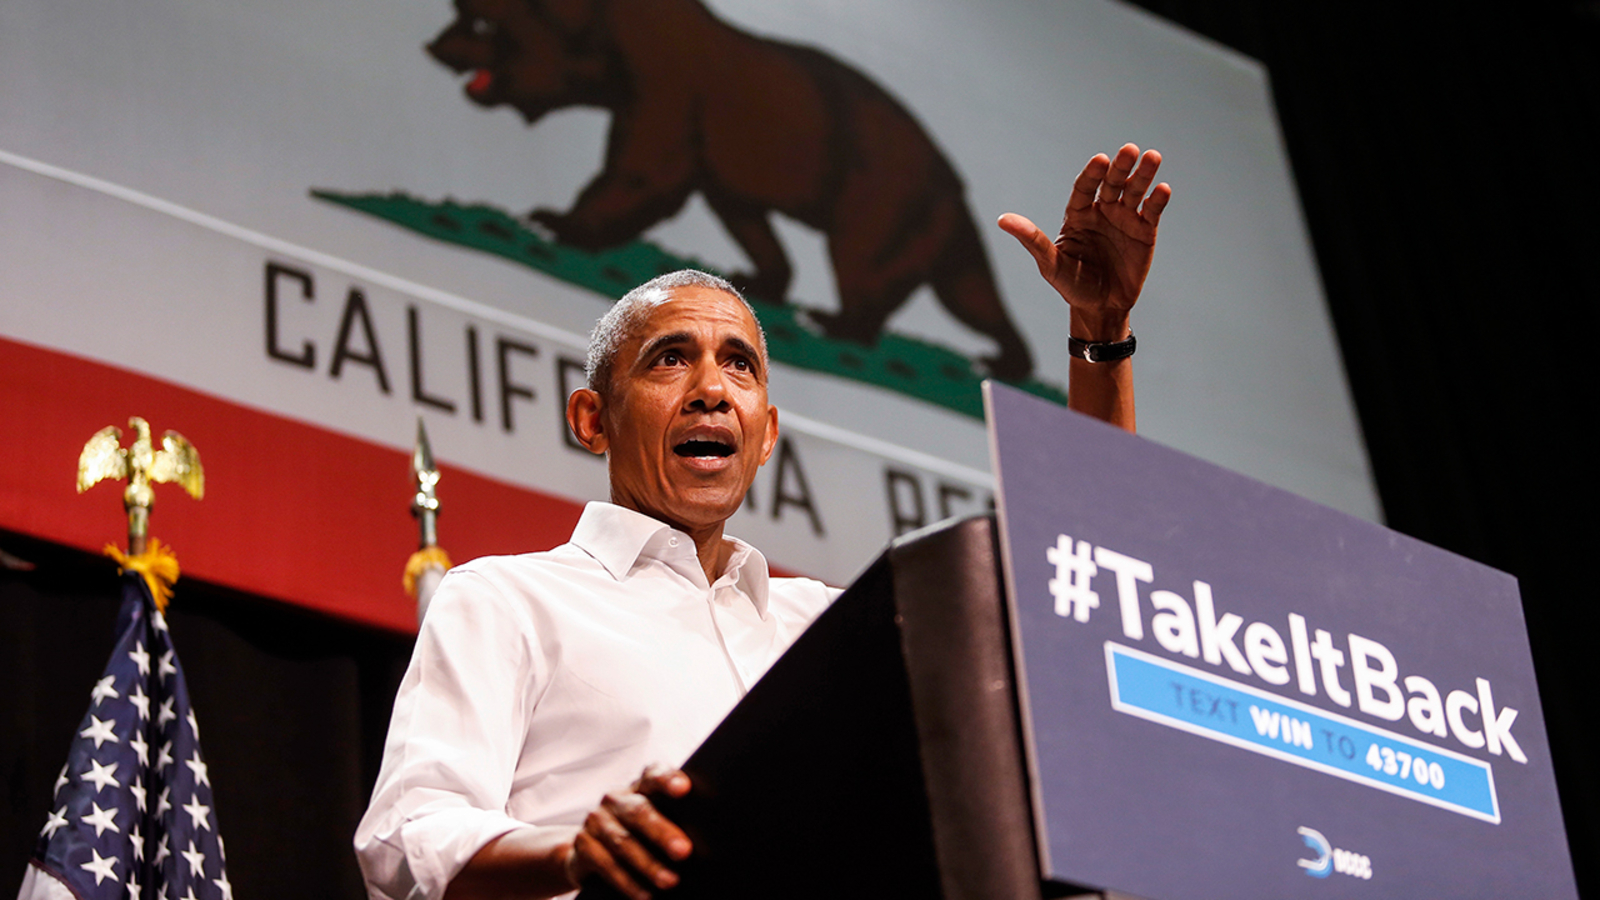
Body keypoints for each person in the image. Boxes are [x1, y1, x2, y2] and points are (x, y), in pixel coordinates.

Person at [354, 145, 1171, 900]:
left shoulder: (824, 625)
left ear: (766, 432)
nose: (712, 388)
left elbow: (1087, 599)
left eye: (738, 364)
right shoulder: (506, 600)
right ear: (592, 419)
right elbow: (407, 835)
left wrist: (1099, 332)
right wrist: (575, 851)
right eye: (670, 357)